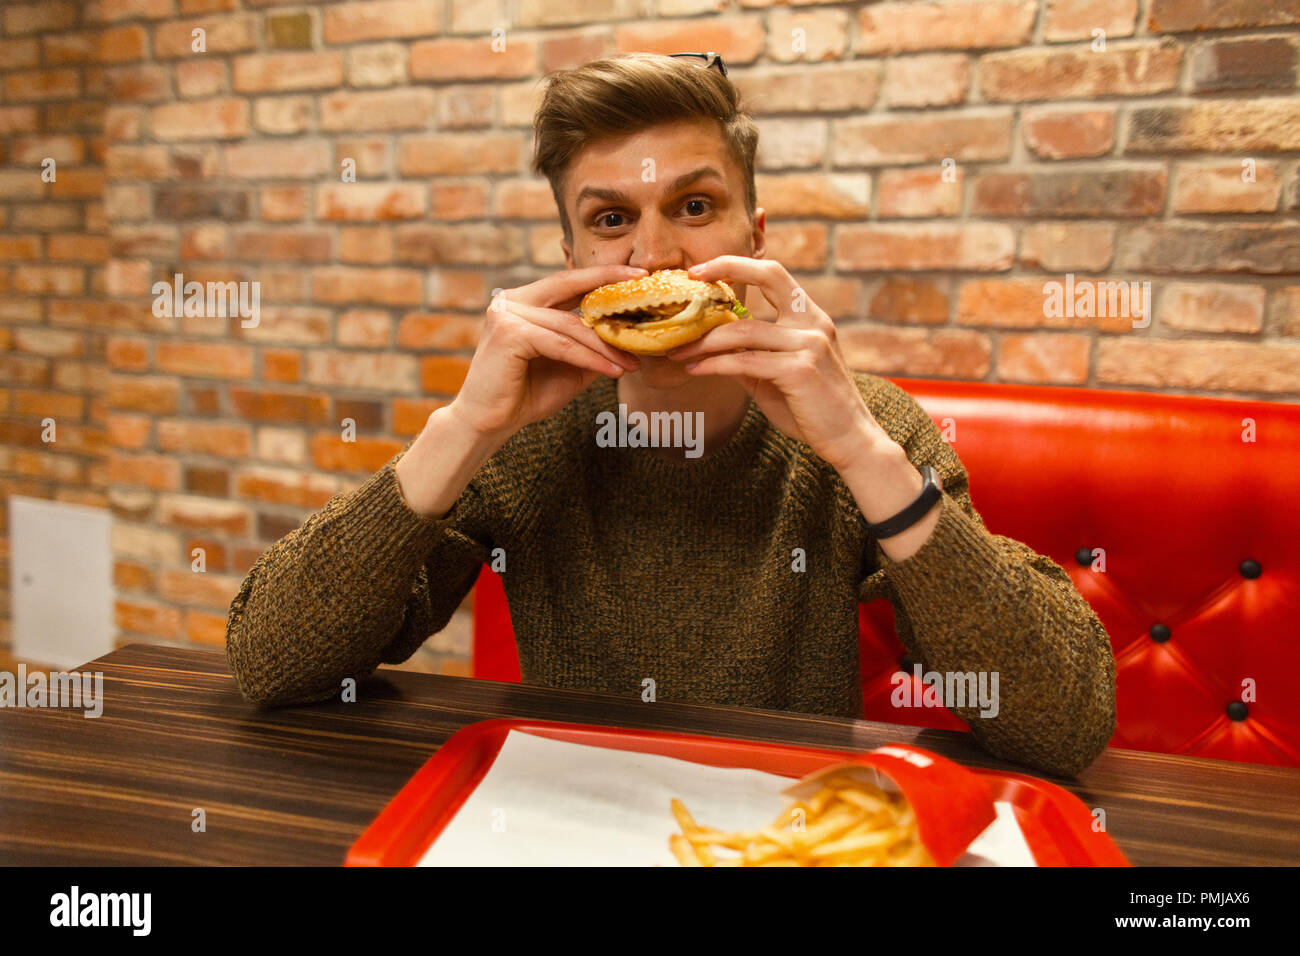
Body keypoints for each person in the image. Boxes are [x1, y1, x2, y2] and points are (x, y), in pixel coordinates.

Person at [226, 53, 1116, 777]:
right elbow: (272, 661)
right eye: (612, 219)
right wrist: (461, 429)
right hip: (572, 820)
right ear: (571, 256)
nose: (654, 255)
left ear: (754, 235)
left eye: (694, 207)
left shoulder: (860, 427)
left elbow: (1063, 721)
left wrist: (863, 454)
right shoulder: (521, 443)